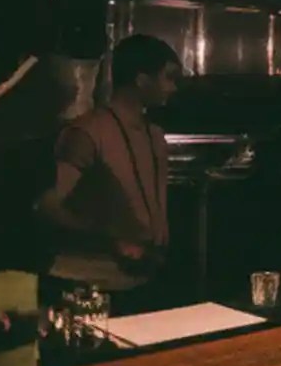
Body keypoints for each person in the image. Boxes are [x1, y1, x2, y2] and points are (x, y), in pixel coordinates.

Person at [37, 35, 180, 307]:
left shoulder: (154, 135)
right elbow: (48, 205)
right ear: (141, 80)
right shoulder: (88, 132)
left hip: (142, 276)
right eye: (169, 77)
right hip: (93, 282)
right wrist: (109, 238)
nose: (174, 88)